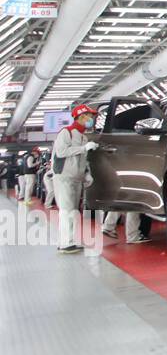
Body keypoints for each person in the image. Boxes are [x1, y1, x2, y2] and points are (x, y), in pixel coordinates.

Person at [50, 106, 99, 254]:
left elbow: (83, 159)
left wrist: (86, 174)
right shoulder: (66, 132)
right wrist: (84, 148)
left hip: (77, 178)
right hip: (64, 177)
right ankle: (65, 243)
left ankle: (69, 241)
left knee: (72, 211)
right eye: (90, 116)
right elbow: (61, 152)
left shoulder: (84, 137)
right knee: (66, 210)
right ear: (81, 116)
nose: (92, 119)